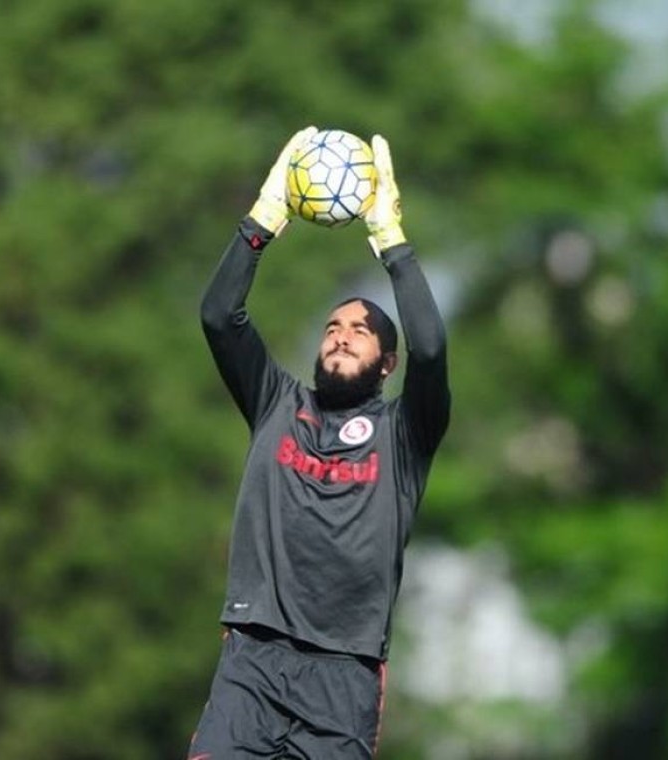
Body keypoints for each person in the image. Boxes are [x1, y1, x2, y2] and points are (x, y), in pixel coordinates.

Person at [187, 126, 450, 759]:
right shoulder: (277, 403)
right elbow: (220, 316)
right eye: (333, 326)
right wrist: (265, 216)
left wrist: (391, 242)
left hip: (344, 676)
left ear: (387, 363)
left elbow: (433, 349)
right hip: (252, 659)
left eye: (360, 331)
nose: (341, 334)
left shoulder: (403, 435)